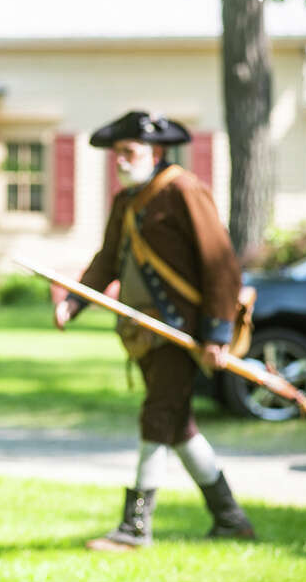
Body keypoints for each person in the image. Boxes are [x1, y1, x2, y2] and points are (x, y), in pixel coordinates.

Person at [53, 110, 255, 550]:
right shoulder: (126, 201)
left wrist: (218, 333)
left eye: (129, 152)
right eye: (117, 154)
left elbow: (220, 264)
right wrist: (74, 301)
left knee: (158, 416)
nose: (121, 161)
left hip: (180, 333)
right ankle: (230, 517)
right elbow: (107, 259)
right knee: (177, 425)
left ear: (156, 151)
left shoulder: (184, 190)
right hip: (142, 332)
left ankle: (134, 528)